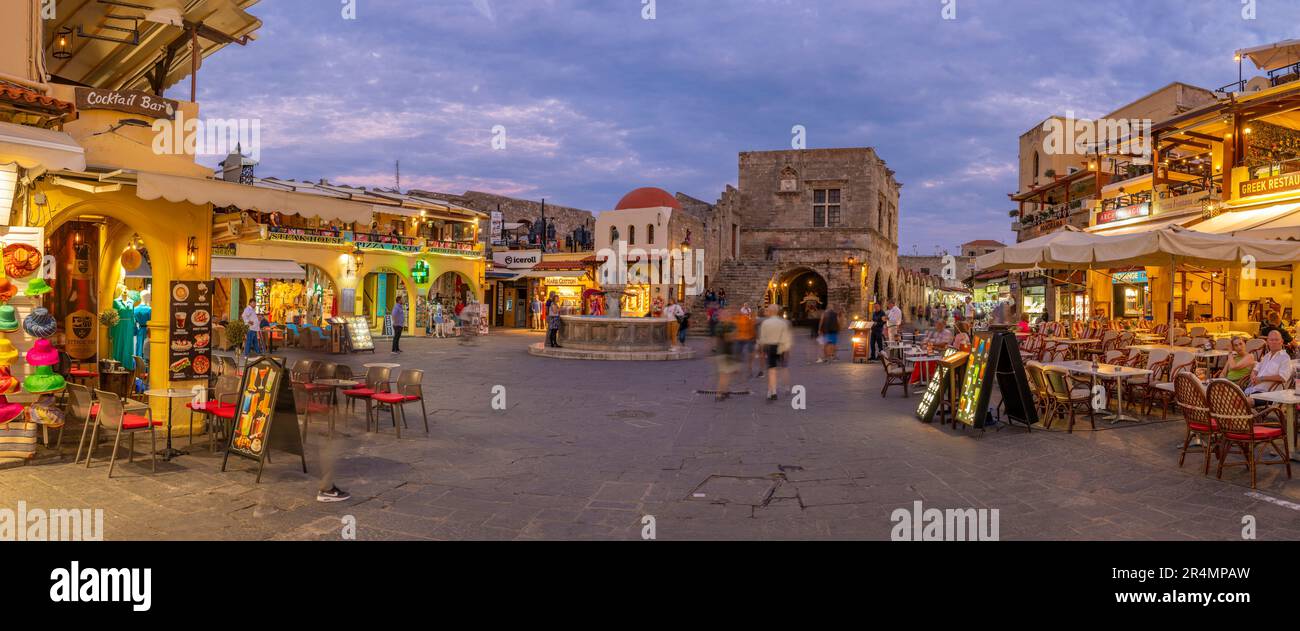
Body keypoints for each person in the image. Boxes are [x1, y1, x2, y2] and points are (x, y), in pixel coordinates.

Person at [757, 304, 793, 401]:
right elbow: (786, 338)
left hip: (770, 347)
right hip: (780, 347)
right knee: (783, 368)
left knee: (771, 370)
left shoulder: (766, 323)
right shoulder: (783, 323)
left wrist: (761, 350)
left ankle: (772, 392)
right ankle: (785, 387)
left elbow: (762, 338)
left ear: (770, 311)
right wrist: (787, 350)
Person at [1247, 331, 1292, 395]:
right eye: (1271, 340)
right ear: (1267, 342)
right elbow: (1256, 369)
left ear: (1282, 341)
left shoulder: (1284, 357)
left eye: (1276, 340)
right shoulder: (1266, 356)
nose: (1274, 342)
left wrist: (1262, 378)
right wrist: (1253, 376)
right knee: (1231, 398)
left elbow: (1283, 377)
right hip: (1252, 389)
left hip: (1266, 393)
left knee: (1244, 401)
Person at [732, 304, 757, 377]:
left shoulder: (747, 318)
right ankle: (743, 368)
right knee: (738, 353)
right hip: (741, 338)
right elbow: (736, 328)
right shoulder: (739, 318)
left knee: (743, 353)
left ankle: (749, 369)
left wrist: (753, 336)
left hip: (747, 338)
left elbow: (751, 328)